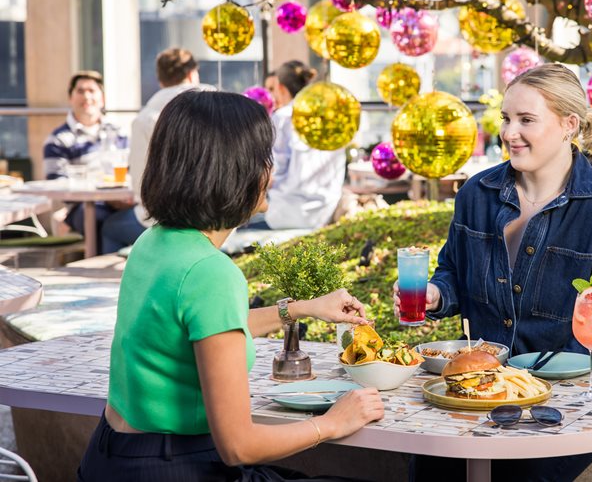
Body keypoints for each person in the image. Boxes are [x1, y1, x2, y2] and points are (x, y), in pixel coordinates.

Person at [78, 91, 384, 480]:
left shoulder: (153, 243)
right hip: (171, 467)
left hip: (111, 457)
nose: (272, 172)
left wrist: (301, 308)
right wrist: (334, 423)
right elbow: (238, 445)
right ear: (233, 169)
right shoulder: (211, 271)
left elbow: (205, 329)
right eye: (264, 158)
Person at [394, 64, 592, 482]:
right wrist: (436, 295)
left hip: (577, 391)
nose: (509, 132)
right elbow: (454, 275)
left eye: (526, 120)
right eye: (506, 118)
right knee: (430, 466)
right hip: (486, 386)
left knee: (520, 473)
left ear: (569, 124)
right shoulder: (476, 194)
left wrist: (544, 371)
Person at [100, 48, 211, 254]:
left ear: (161, 80)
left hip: (166, 218)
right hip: (215, 213)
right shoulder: (217, 107)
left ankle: (119, 281)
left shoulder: (145, 118)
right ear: (191, 74)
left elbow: (140, 182)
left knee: (109, 227)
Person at [245, 61, 346, 230]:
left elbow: (274, 170)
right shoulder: (330, 116)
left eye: (273, 89)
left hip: (287, 213)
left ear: (281, 88)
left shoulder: (283, 118)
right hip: (326, 211)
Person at [43, 70, 129, 238]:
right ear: (71, 98)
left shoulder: (119, 133)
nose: (87, 96)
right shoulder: (57, 139)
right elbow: (57, 185)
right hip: (82, 206)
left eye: (92, 91)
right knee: (99, 218)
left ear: (102, 99)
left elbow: (133, 171)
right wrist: (104, 197)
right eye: (81, 91)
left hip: (122, 201)